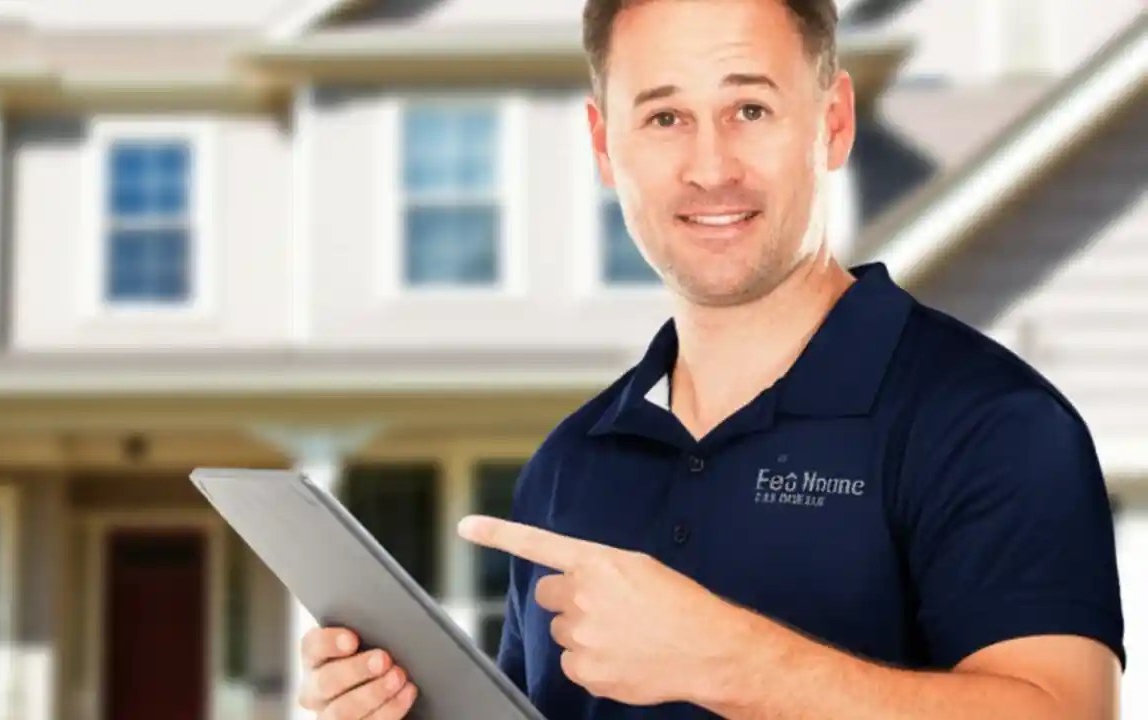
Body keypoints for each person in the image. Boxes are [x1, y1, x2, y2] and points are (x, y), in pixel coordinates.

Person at [297, 0, 1127, 717]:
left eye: (751, 110)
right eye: (664, 117)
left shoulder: (991, 423)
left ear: (832, 121)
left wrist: (726, 662)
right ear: (603, 144)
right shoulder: (569, 465)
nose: (710, 167)